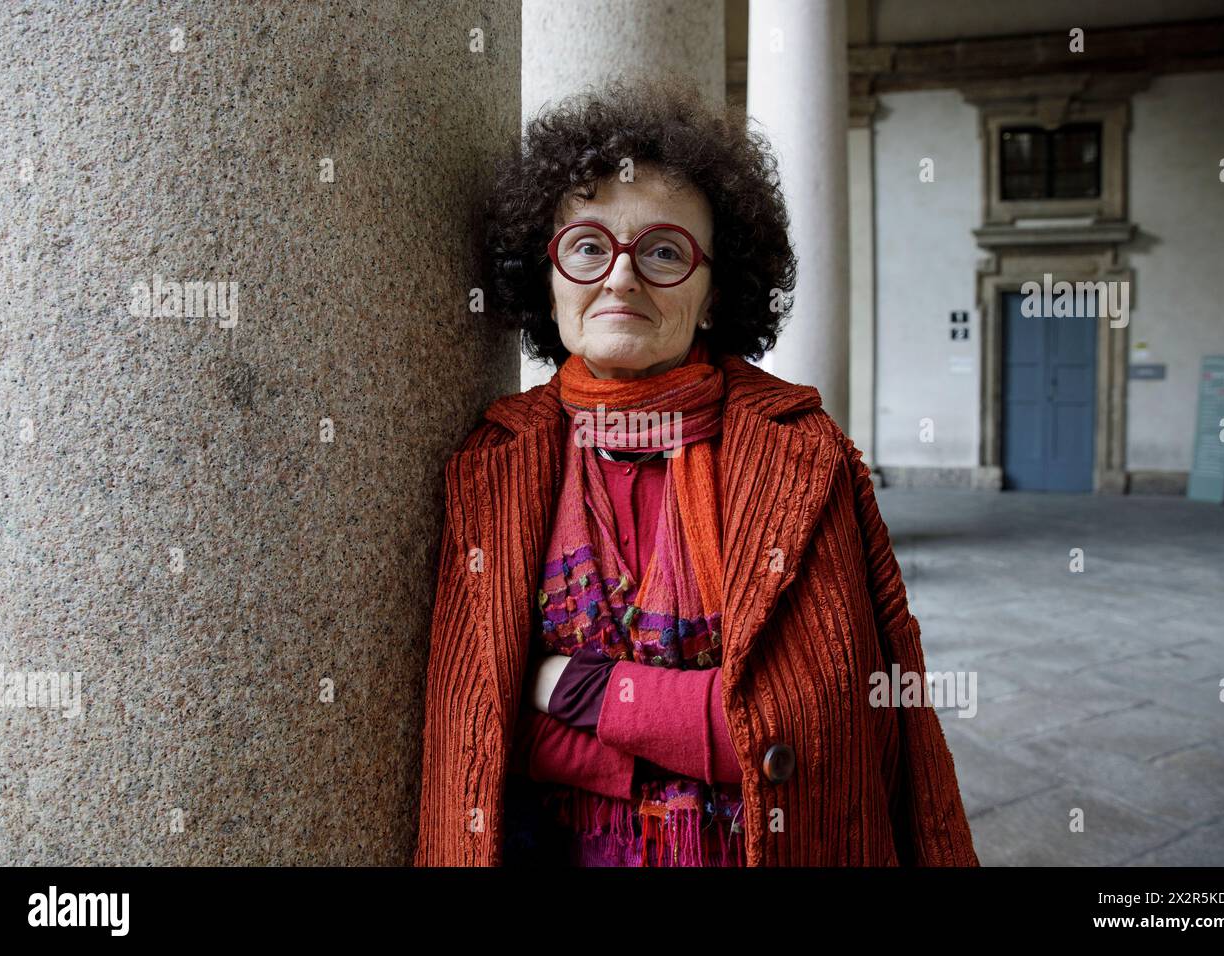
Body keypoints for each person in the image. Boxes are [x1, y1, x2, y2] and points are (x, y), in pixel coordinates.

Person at [414, 77, 979, 867]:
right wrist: (685, 734)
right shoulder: (492, 465)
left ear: (714, 293)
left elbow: (811, 724)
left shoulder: (801, 456)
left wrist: (570, 689)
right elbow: (481, 729)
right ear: (547, 279)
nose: (620, 278)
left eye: (664, 251)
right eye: (586, 246)